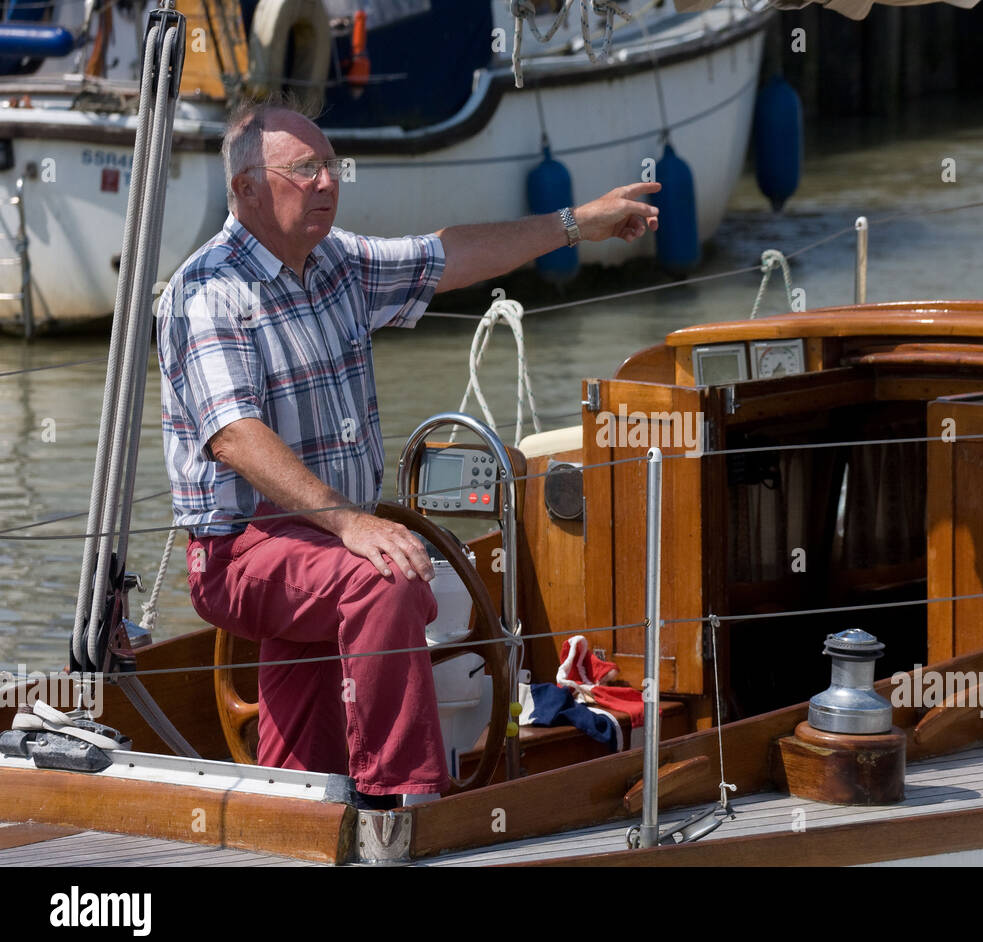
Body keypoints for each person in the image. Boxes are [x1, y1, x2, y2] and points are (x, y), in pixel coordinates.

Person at [157, 102, 660, 807]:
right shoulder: (208, 293)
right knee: (382, 583)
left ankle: (289, 827)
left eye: (331, 166)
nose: (328, 182)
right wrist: (352, 525)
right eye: (305, 170)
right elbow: (234, 433)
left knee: (304, 765)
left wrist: (577, 223)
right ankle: (406, 808)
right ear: (245, 190)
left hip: (317, 546)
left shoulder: (337, 266)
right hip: (242, 548)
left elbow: (451, 254)